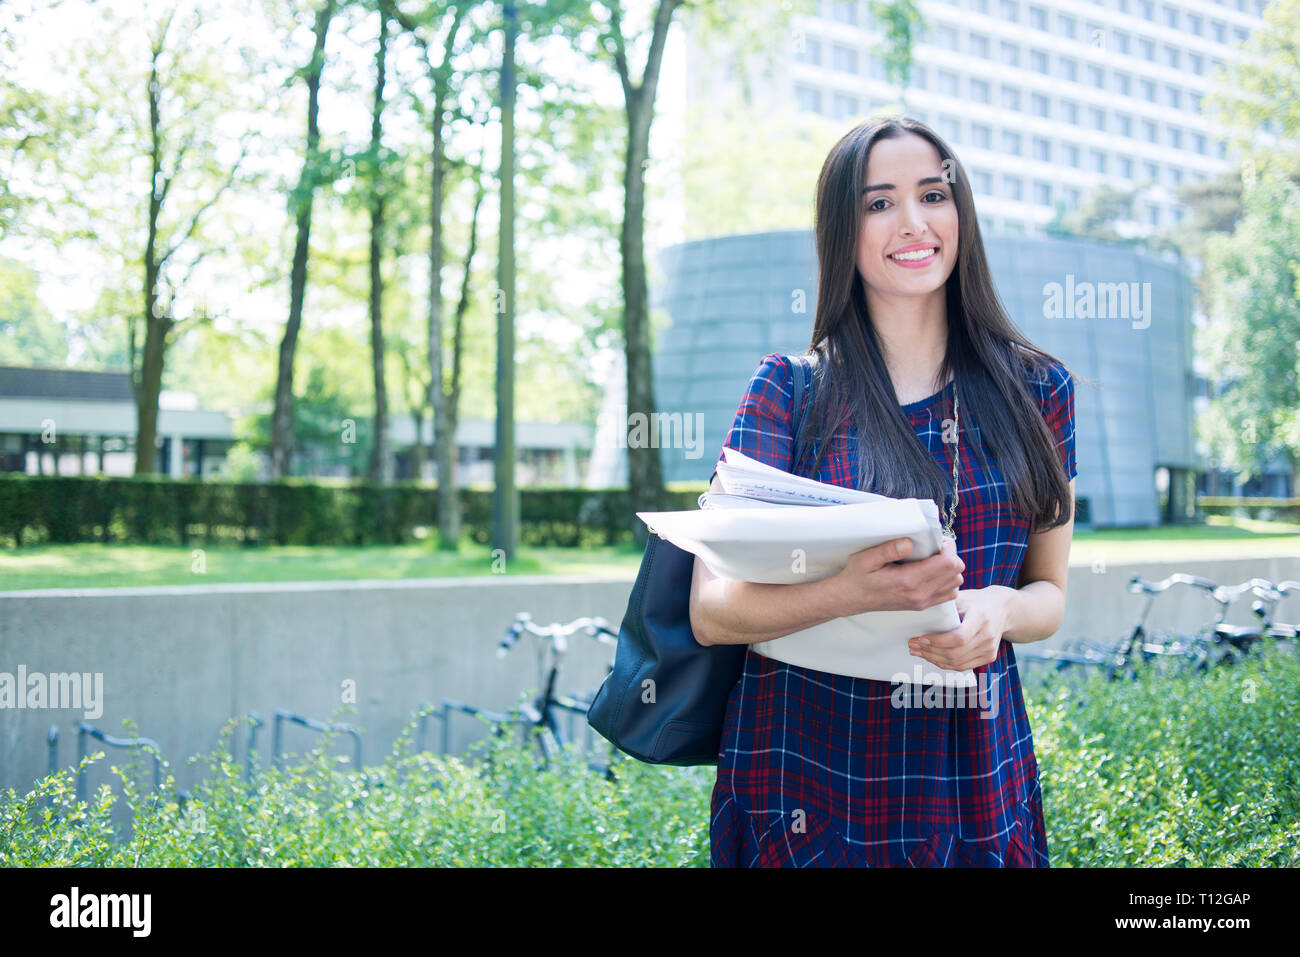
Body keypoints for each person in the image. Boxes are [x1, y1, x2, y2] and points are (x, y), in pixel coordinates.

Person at [690, 116, 1079, 867]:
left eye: (933, 194)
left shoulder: (1041, 390)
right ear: (844, 229)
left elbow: (1049, 594)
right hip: (805, 777)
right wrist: (856, 590)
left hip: (968, 777)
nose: (912, 222)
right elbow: (712, 609)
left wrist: (998, 609)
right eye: (878, 203)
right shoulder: (788, 391)